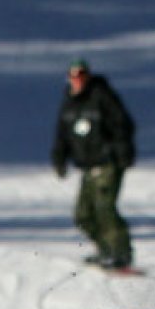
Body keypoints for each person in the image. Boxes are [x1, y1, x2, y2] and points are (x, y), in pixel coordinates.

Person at [51, 59, 136, 270]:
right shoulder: (69, 103)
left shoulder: (102, 96)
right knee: (83, 215)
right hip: (87, 166)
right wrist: (60, 158)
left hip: (108, 163)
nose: (77, 80)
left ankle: (120, 253)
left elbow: (123, 125)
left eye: (81, 75)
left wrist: (122, 152)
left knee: (105, 208)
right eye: (73, 76)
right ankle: (105, 249)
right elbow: (62, 135)